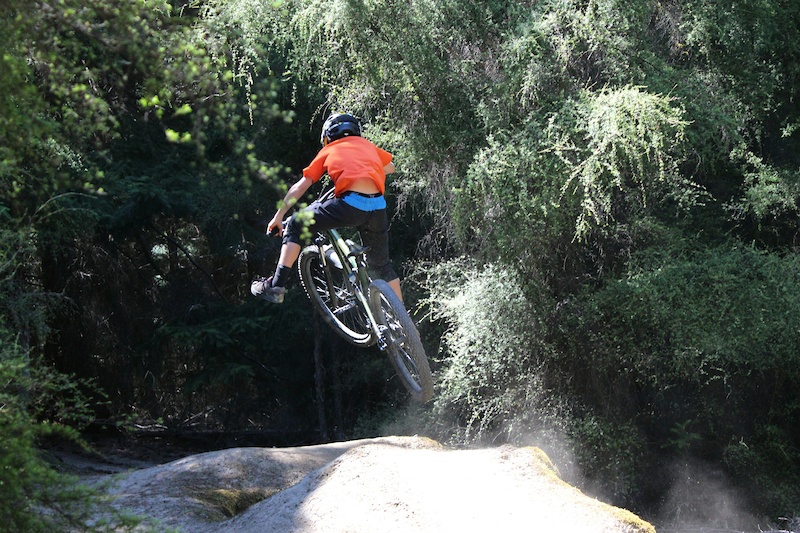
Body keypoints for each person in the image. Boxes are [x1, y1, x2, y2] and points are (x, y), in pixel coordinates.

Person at [251, 113, 401, 304]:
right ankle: (402, 321)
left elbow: (300, 186)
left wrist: (279, 216)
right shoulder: (367, 146)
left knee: (296, 223)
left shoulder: (329, 149)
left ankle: (276, 285)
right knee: (382, 266)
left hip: (350, 205)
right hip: (378, 207)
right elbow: (391, 167)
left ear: (328, 137)